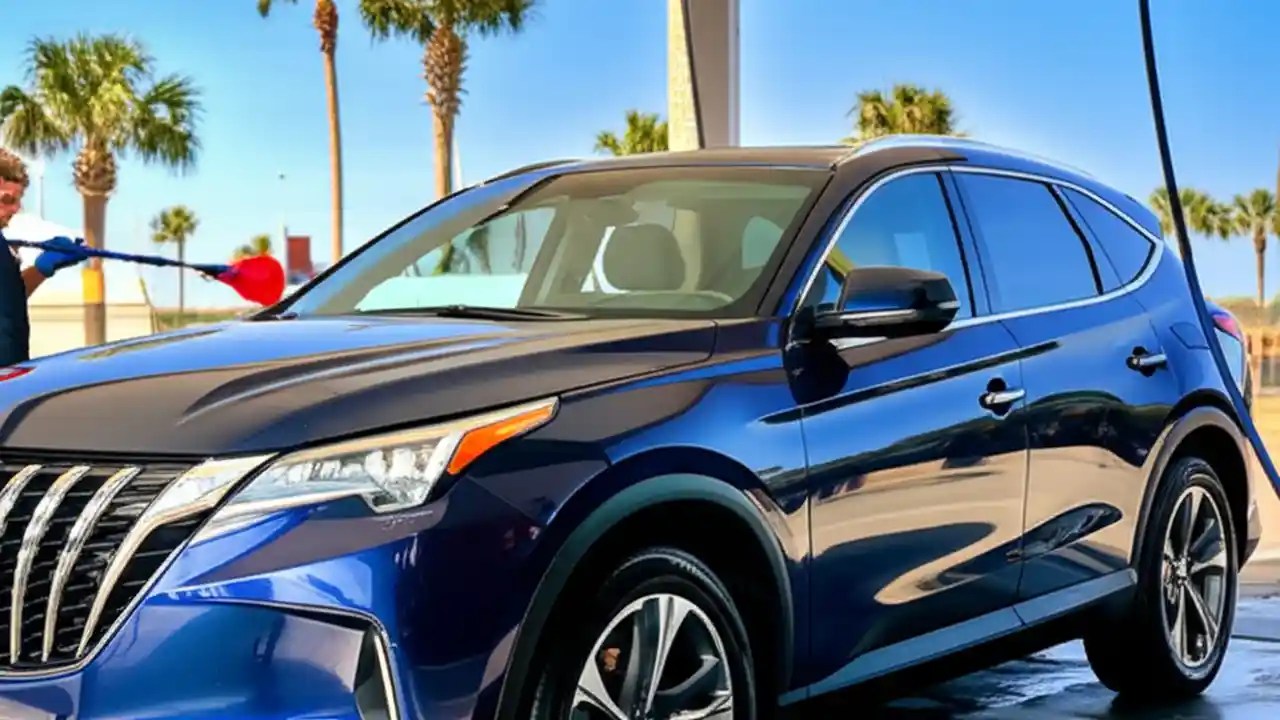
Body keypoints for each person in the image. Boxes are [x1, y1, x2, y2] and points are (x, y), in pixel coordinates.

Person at [0, 148, 92, 366]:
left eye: (18, 200)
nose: (16, 208)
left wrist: (43, 267)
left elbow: (9, 302)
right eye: (7, 199)